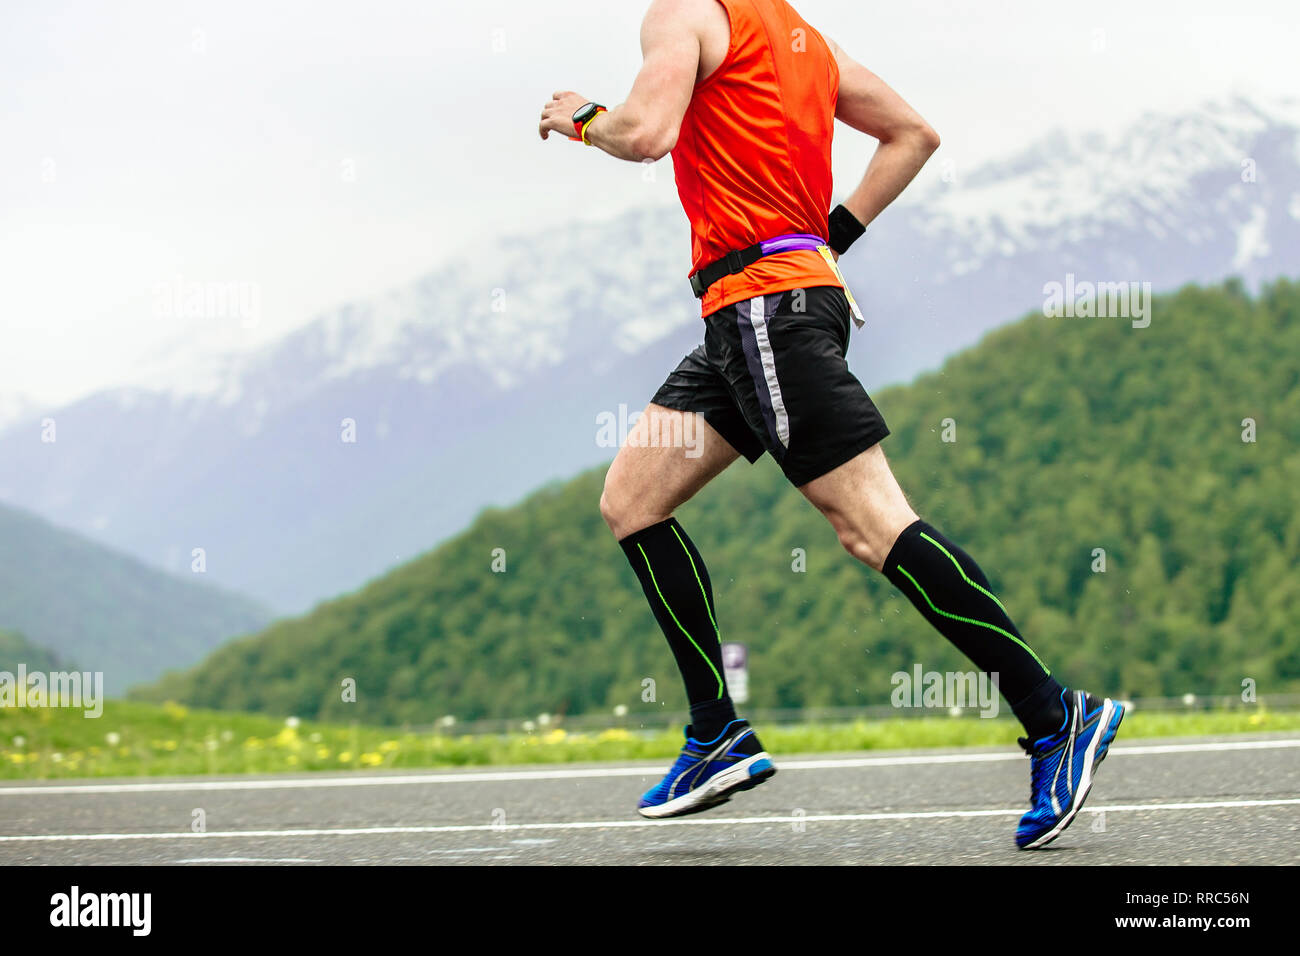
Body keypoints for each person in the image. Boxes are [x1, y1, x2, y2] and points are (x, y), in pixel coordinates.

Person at [538, 0, 1123, 849]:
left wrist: (580, 117)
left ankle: (1054, 714)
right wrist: (827, 242)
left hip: (765, 314)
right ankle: (716, 734)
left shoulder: (682, 16)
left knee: (872, 526)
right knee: (632, 498)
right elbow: (914, 135)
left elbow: (645, 133)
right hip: (757, 313)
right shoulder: (798, 35)